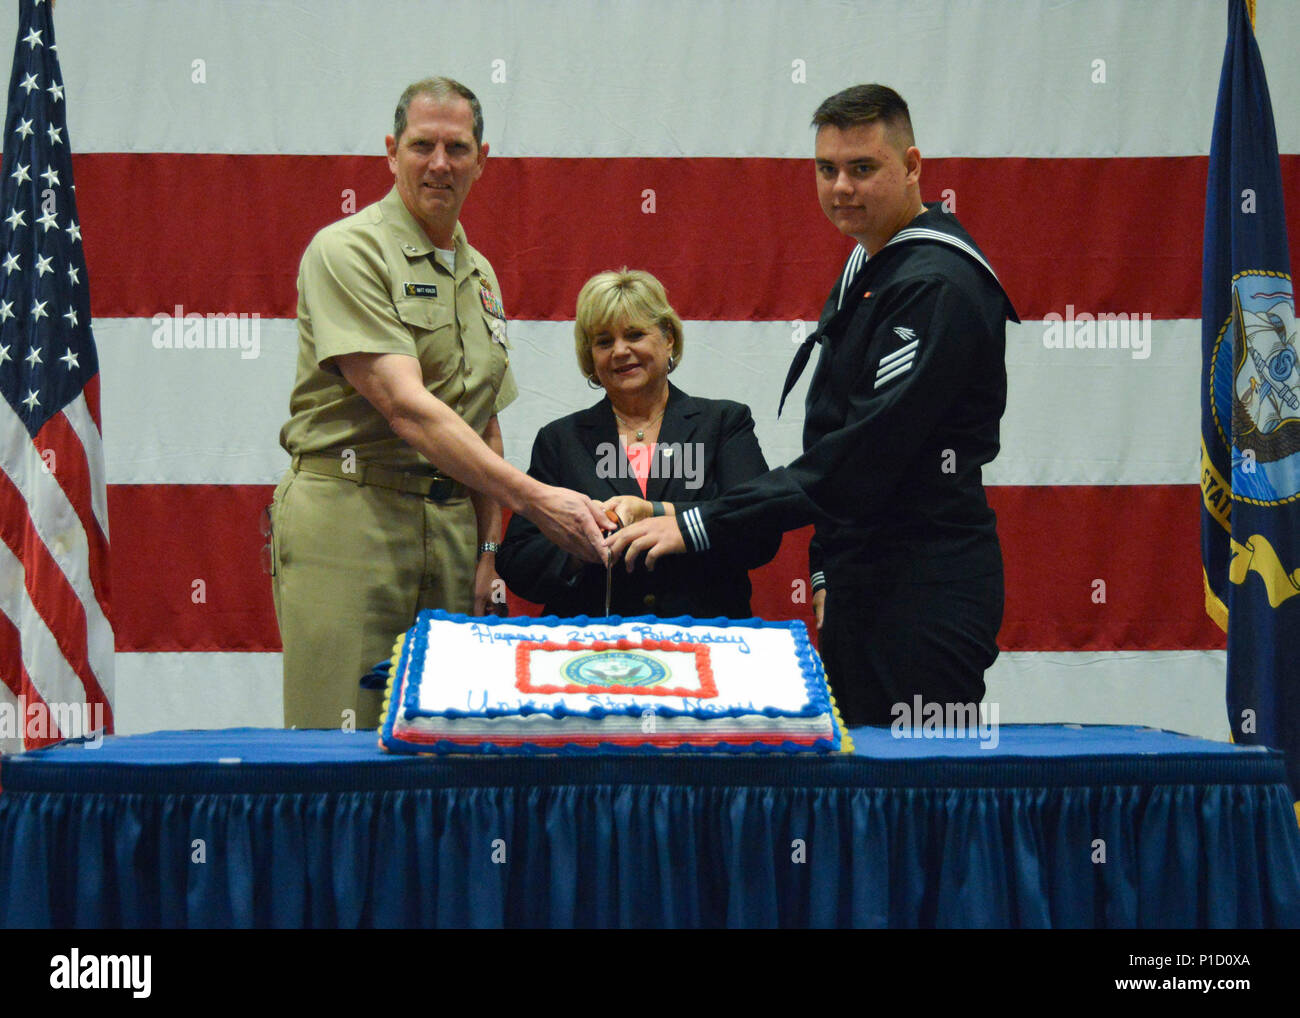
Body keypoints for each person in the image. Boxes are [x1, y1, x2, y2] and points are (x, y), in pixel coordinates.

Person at [608, 84, 1018, 727]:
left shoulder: (932, 284)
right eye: (826, 169)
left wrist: (694, 523)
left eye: (862, 168)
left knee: (911, 800)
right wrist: (826, 570)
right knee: (861, 794)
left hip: (920, 588)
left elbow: (860, 458)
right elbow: (839, 435)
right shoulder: (876, 264)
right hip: (868, 578)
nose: (840, 189)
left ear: (912, 166)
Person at [271, 77, 609, 730]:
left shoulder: (478, 274)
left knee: (445, 737)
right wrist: (535, 499)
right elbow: (406, 407)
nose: (439, 164)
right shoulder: (347, 250)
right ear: (391, 151)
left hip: (453, 530)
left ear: (483, 159)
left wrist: (489, 551)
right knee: (345, 739)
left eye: (457, 148)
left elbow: (483, 421)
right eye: (422, 145)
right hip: (352, 517)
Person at [496, 269, 780, 618]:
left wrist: (656, 514)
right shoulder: (560, 440)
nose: (620, 351)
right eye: (603, 341)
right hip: (591, 650)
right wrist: (577, 549)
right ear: (591, 357)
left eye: (634, 335)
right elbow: (518, 561)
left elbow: (760, 530)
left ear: (669, 339)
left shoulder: (723, 424)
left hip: (705, 640)